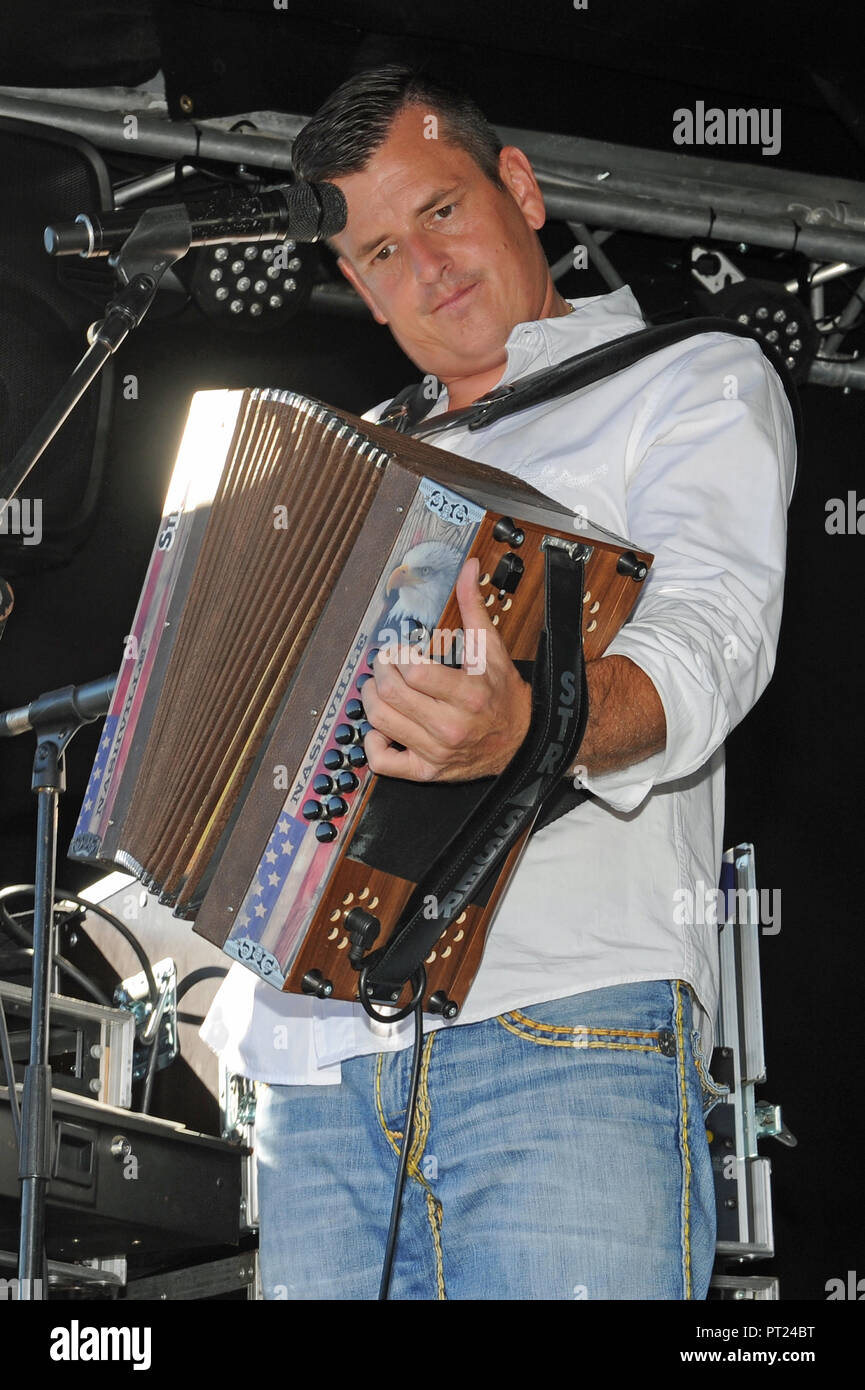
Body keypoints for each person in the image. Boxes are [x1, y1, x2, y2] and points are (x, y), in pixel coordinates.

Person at [201, 65, 796, 1300]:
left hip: (560, 1021)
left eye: (440, 210)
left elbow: (713, 630)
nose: (423, 265)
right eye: (376, 249)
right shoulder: (337, 465)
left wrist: (537, 723)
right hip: (315, 1081)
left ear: (517, 188)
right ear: (356, 286)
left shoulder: (684, 378)